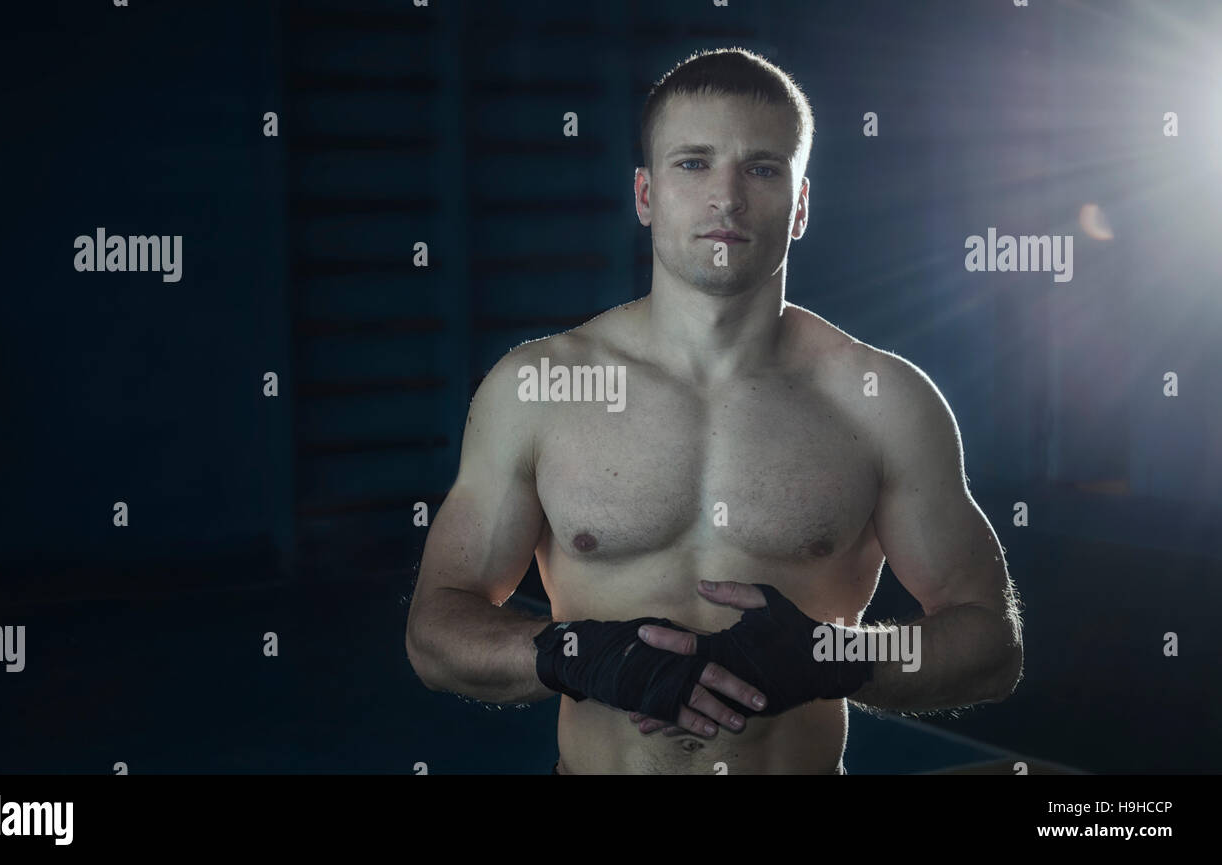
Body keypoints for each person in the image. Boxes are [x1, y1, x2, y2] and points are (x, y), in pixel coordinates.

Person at [405, 47, 1023, 774]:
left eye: (761, 168)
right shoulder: (536, 388)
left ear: (799, 205)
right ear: (645, 195)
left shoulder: (882, 401)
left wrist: (837, 656)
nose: (725, 196)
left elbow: (990, 641)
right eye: (692, 163)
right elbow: (435, 627)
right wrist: (573, 653)